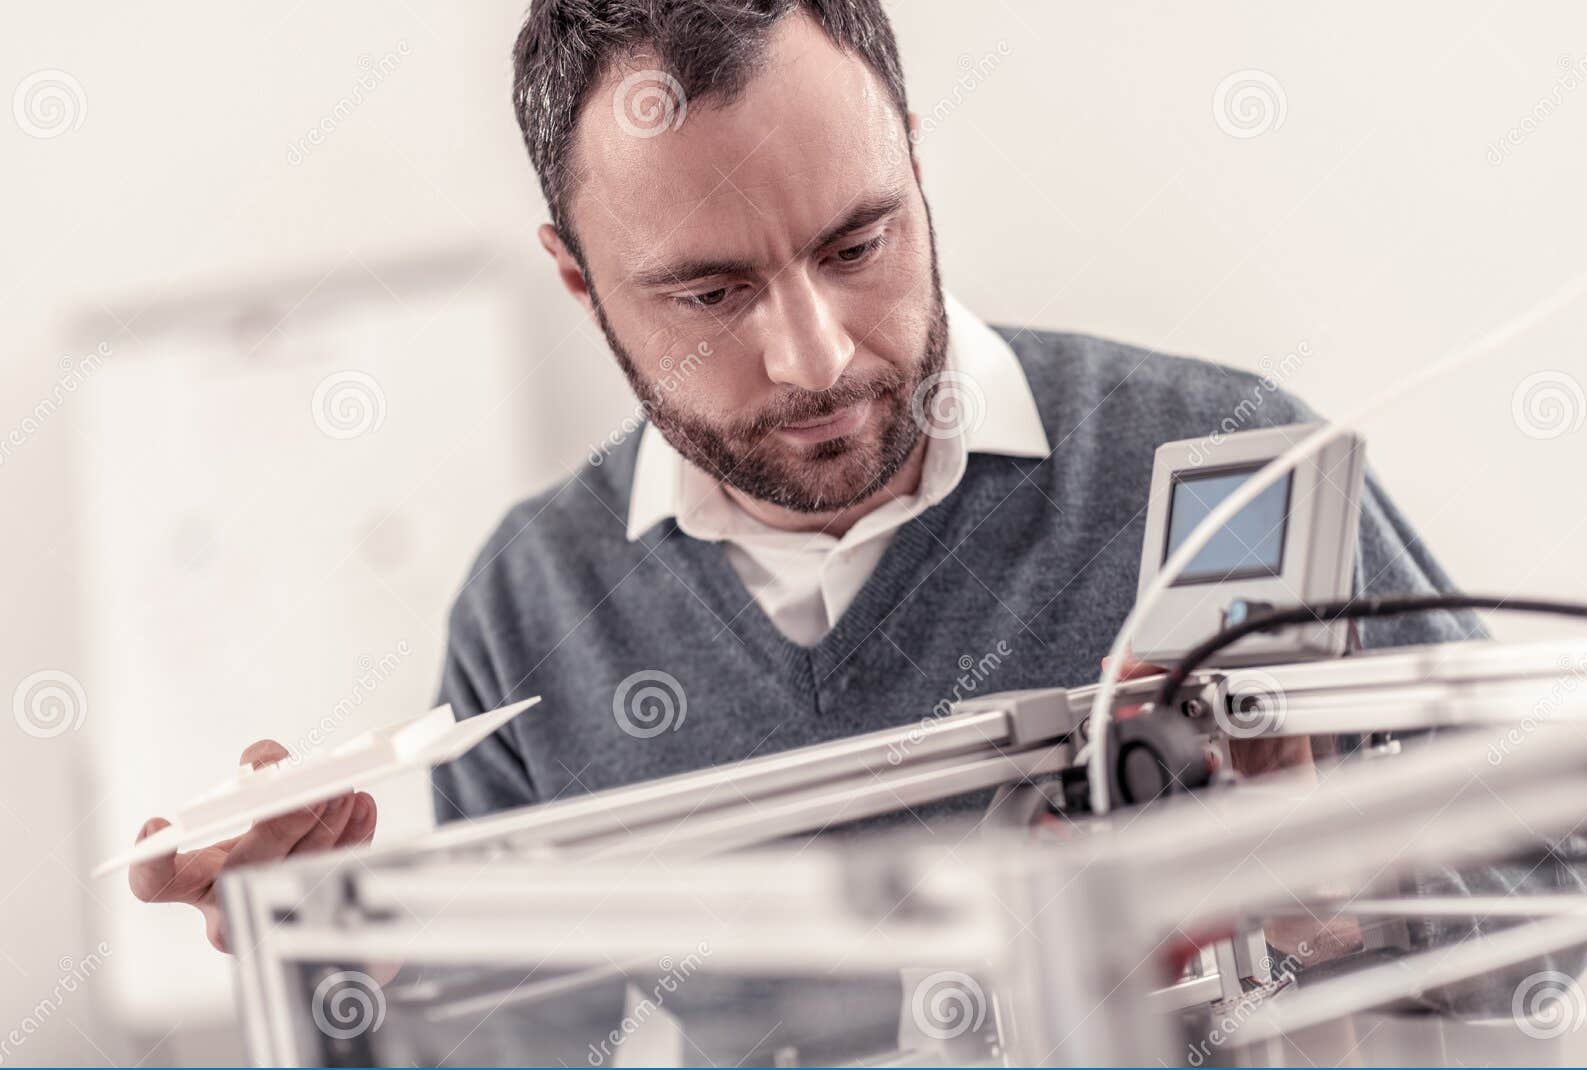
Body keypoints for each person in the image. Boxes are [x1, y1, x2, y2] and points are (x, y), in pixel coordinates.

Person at [132, 1, 1482, 960]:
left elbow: (1557, 901)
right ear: (577, 278)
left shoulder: (1231, 465)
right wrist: (335, 964)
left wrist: (1339, 897)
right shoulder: (536, 605)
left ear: (913, 157)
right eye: (710, 290)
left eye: (859, 242)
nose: (817, 356)